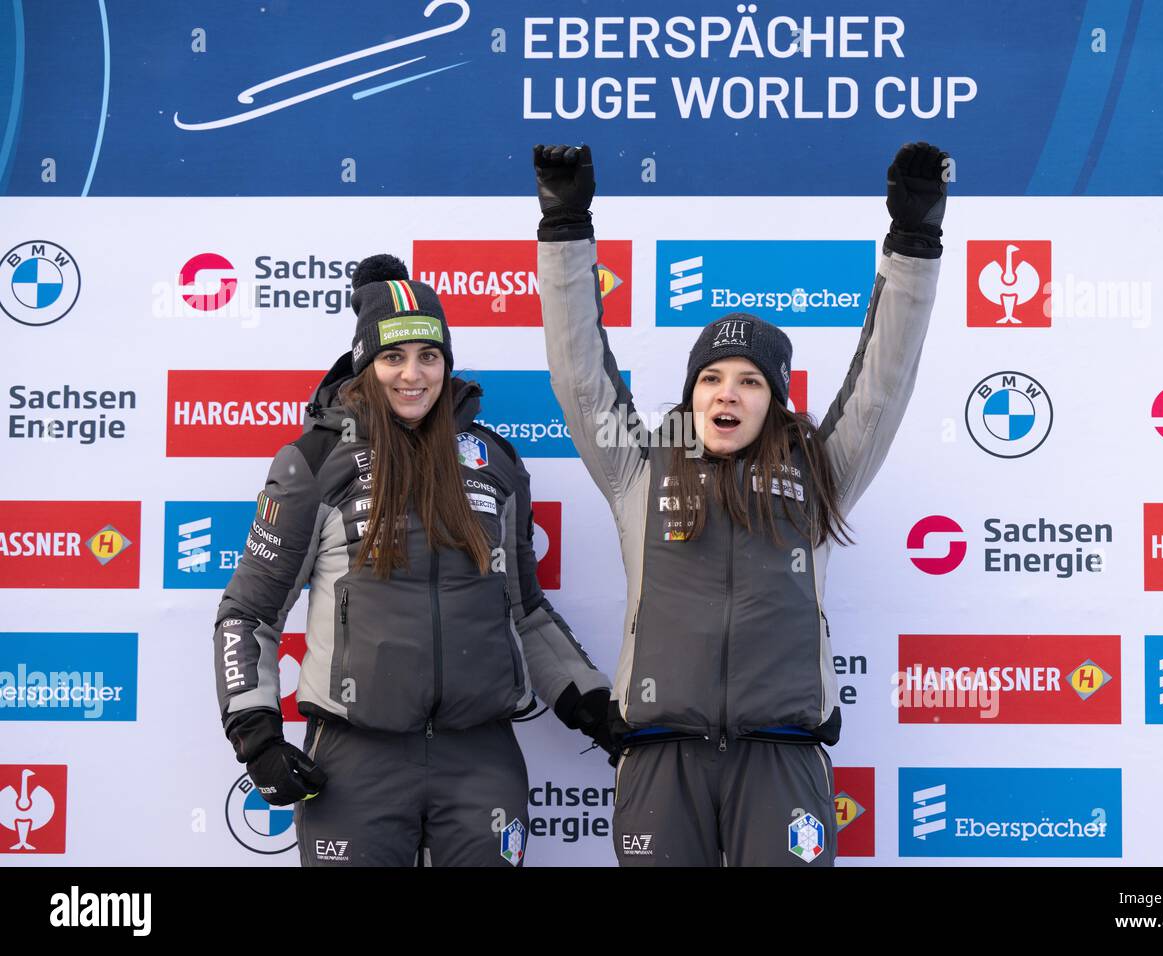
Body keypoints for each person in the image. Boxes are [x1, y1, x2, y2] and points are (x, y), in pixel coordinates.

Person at [533, 141, 947, 866]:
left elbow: (881, 384)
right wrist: (565, 229)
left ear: (774, 401)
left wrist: (913, 243)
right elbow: (580, 379)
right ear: (692, 394)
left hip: (782, 758)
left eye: (750, 381)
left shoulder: (819, 471)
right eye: (711, 378)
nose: (727, 393)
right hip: (661, 756)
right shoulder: (640, 466)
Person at [212, 254, 614, 867]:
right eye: (393, 357)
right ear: (365, 365)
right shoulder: (314, 461)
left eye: (429, 356)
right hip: (355, 757)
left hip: (479, 758)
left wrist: (594, 705)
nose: (412, 374)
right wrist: (257, 735)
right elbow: (249, 613)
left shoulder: (495, 461)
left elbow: (526, 612)